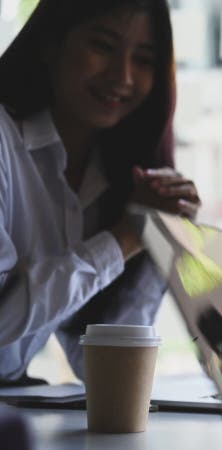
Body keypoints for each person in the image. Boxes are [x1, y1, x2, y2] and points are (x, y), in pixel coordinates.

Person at [0, 0, 201, 384]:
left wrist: (157, 236)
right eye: (103, 46)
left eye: (143, 59)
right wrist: (124, 239)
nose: (122, 76)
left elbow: (107, 370)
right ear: (51, 43)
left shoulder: (115, 174)